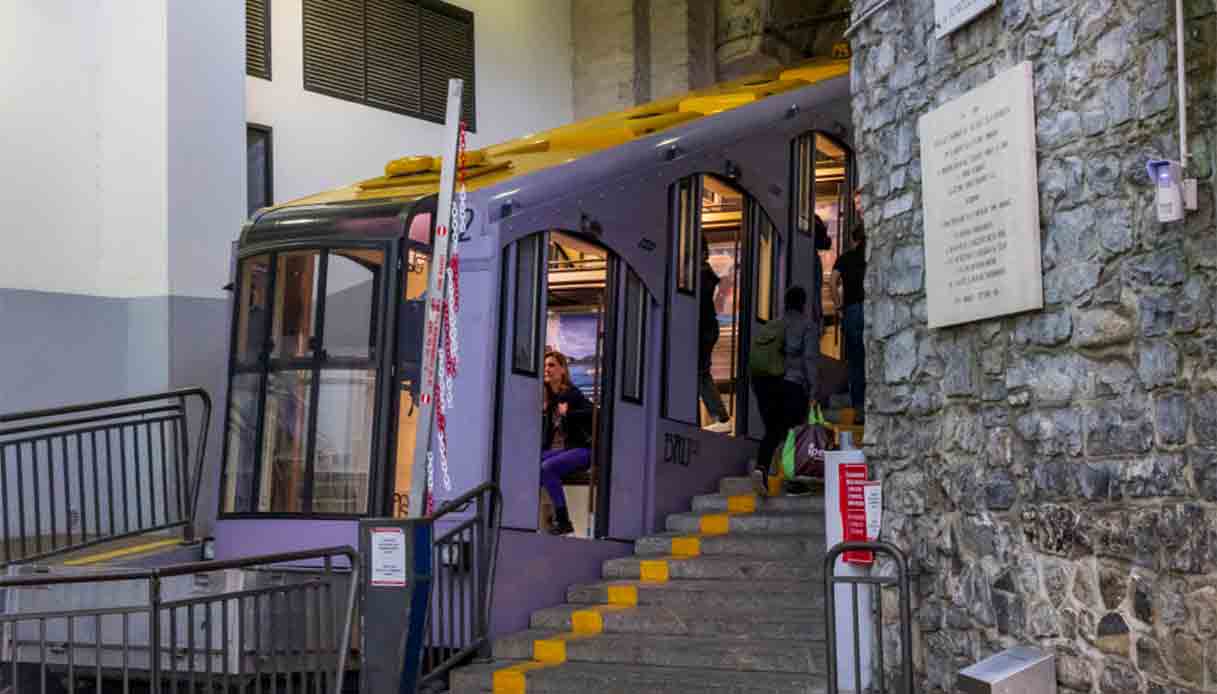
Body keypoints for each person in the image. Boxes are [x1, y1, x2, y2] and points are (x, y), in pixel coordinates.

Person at [750, 286, 819, 492]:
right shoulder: (807, 326)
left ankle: (761, 468)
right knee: (793, 433)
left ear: (785, 303)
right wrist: (814, 390)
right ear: (803, 304)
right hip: (792, 384)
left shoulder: (774, 325)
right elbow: (810, 360)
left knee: (773, 429)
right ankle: (792, 480)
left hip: (765, 384)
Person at [540, 351, 593, 535]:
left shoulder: (572, 394)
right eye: (545, 365)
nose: (547, 369)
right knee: (529, 463)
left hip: (581, 450)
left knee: (547, 467)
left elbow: (595, 413)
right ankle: (545, 516)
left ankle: (563, 520)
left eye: (552, 365)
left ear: (562, 370)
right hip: (560, 451)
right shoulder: (548, 398)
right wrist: (545, 411)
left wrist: (568, 414)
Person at [832, 218, 866, 420]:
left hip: (852, 311)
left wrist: (838, 307)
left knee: (855, 361)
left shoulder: (845, 258)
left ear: (853, 240)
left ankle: (859, 408)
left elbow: (832, 281)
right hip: (870, 309)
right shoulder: (870, 256)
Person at [698, 242, 732, 433]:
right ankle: (720, 416)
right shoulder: (706, 272)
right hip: (707, 328)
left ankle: (721, 417)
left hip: (704, 329)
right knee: (701, 373)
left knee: (700, 373)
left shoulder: (701, 274)